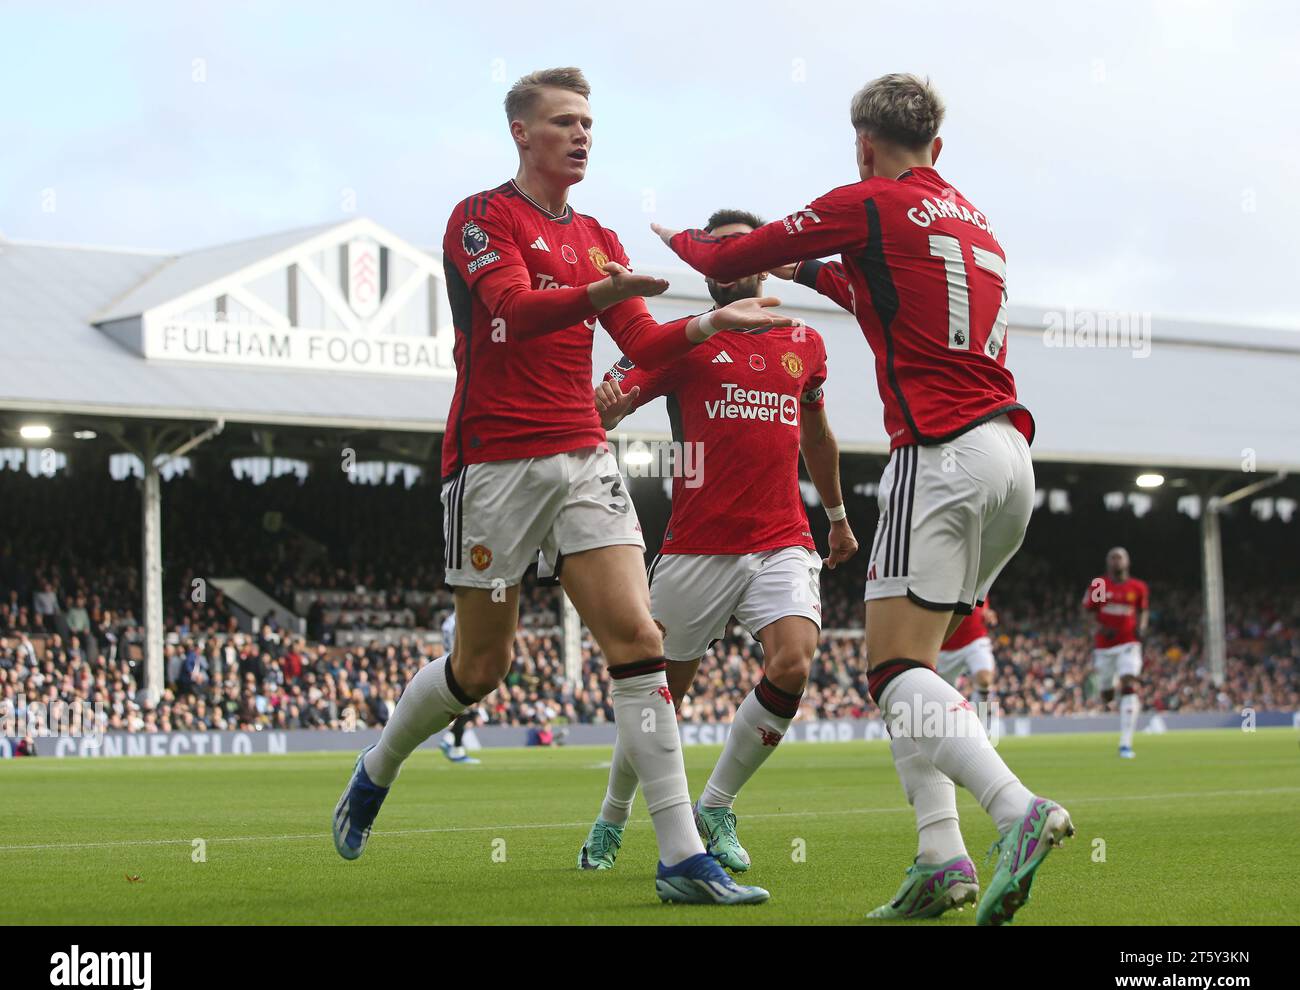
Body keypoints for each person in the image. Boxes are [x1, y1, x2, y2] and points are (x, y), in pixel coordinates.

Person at [334, 67, 791, 905]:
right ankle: (378, 766)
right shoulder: (481, 218)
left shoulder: (596, 233)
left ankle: (682, 855)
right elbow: (507, 310)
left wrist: (710, 322)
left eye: (589, 122)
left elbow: (644, 342)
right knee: (483, 664)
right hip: (495, 462)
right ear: (521, 132)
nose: (582, 135)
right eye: (565, 122)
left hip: (582, 453)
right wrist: (595, 292)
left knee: (639, 641)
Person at [654, 72, 1073, 925]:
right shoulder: (973, 219)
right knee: (918, 668)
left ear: (865, 148)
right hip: (1012, 459)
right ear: (939, 148)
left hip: (942, 455)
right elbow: (864, 293)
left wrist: (691, 245)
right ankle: (937, 856)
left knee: (891, 670)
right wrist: (807, 262)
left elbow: (738, 257)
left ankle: (1016, 810)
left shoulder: (873, 200)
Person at [577, 208, 857, 873]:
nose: (732, 260)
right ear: (706, 269)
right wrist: (603, 406)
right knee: (655, 696)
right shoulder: (682, 340)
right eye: (719, 252)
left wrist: (838, 514)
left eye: (742, 249)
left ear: (759, 259)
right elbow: (606, 401)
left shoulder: (804, 342)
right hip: (697, 547)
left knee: (794, 661)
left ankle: (718, 804)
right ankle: (613, 813)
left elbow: (816, 435)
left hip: (782, 537)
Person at [1083, 547, 1148, 758]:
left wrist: (1143, 627)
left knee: (1129, 681)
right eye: (1112, 557)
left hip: (1129, 643)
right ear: (1107, 563)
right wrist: (1100, 628)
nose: (1116, 561)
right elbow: (1089, 612)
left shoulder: (1137, 587)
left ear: (1127, 562)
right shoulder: (1100, 585)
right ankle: (1115, 700)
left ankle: (1125, 744)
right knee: (1107, 693)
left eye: (1120, 557)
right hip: (1105, 646)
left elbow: (1143, 610)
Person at [936, 599, 997, 709]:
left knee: (984, 680)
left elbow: (982, 591)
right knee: (944, 695)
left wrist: (985, 610)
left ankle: (978, 717)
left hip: (974, 637)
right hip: (944, 646)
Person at [437, 611, 479, 764]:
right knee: (469, 708)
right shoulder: (462, 619)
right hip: (460, 664)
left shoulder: (448, 621)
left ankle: (454, 746)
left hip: (447, 662)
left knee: (466, 710)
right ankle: (451, 743)